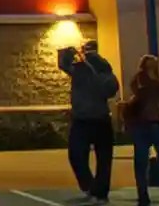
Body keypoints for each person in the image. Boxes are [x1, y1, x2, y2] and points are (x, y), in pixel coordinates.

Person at [59, 40, 119, 204]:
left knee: (104, 159)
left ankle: (101, 192)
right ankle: (91, 186)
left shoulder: (105, 72)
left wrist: (96, 76)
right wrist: (67, 51)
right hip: (82, 119)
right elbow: (63, 64)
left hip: (99, 118)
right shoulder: (79, 70)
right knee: (76, 155)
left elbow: (110, 90)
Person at [124, 55, 159, 206]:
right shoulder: (150, 83)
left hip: (149, 124)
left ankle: (151, 196)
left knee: (148, 161)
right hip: (149, 124)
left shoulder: (151, 82)